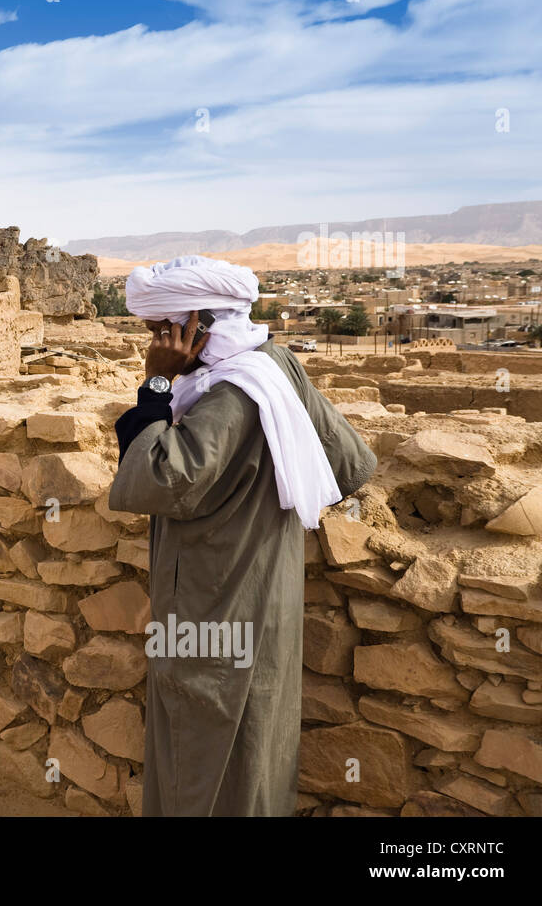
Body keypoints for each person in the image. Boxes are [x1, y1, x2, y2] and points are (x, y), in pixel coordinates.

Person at [109, 254, 375, 816]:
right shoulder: (272, 366)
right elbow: (350, 462)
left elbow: (154, 480)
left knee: (197, 745)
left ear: (195, 326)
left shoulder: (228, 393)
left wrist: (156, 382)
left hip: (210, 601)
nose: (154, 341)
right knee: (256, 738)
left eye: (161, 330)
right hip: (268, 588)